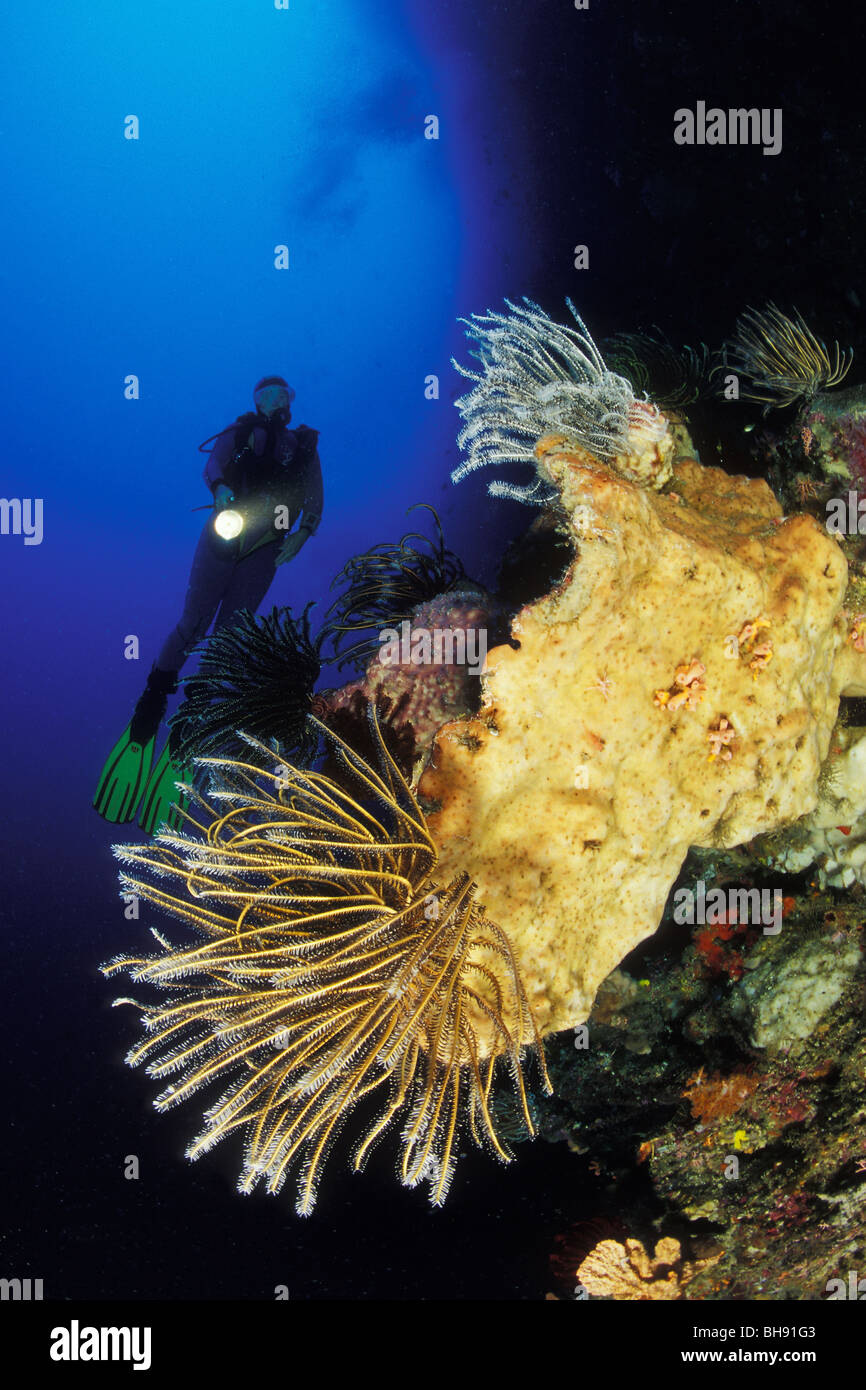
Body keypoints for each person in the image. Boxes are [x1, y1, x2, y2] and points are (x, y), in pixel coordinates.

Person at [94, 376, 323, 832]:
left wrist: (303, 531)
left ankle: (193, 717)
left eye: (284, 393)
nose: (277, 398)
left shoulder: (304, 445)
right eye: (268, 392)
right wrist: (219, 489)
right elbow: (214, 466)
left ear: (291, 402)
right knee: (193, 624)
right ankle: (152, 705)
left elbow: (314, 494)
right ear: (256, 399)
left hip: (267, 545)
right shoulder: (239, 432)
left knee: (231, 635)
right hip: (226, 530)